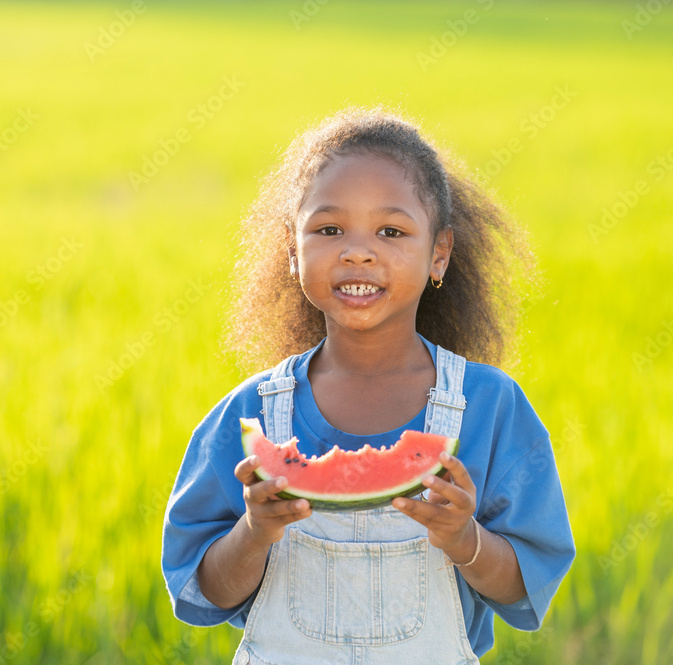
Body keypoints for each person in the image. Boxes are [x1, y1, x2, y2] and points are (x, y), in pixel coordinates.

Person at [161, 105, 575, 663]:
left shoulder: (489, 407)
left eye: (391, 230)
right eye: (329, 229)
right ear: (292, 249)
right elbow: (205, 590)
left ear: (439, 253)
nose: (358, 250)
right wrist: (254, 531)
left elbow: (526, 587)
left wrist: (465, 539)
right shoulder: (255, 412)